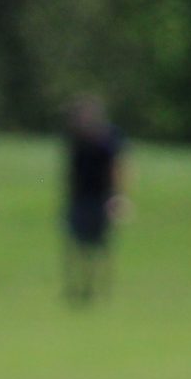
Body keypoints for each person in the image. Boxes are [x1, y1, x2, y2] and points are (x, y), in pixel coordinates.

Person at [61, 96, 129, 306]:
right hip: (79, 198)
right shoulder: (75, 139)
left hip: (101, 198)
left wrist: (118, 197)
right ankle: (78, 287)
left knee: (102, 246)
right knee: (76, 245)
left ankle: (102, 288)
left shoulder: (108, 139)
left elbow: (118, 167)